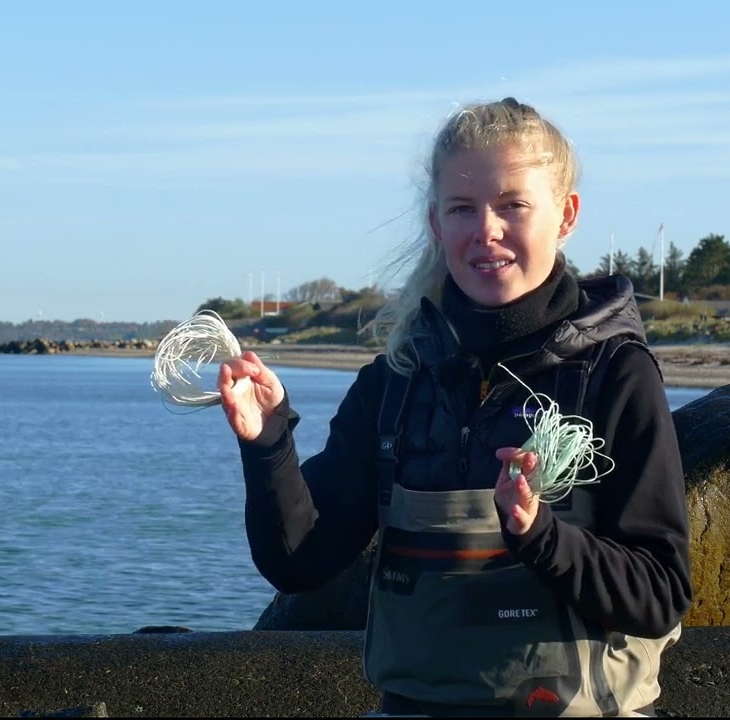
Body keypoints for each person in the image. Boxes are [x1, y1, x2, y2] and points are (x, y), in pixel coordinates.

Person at [217, 98, 692, 717]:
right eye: (462, 208)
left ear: (566, 215)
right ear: (437, 224)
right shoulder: (396, 381)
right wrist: (269, 443)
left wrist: (540, 534)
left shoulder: (614, 374)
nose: (485, 230)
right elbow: (299, 562)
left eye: (513, 205)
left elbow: (659, 593)